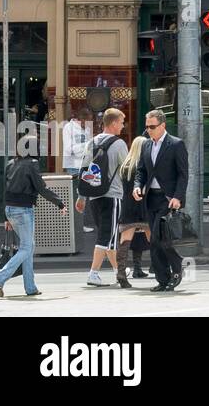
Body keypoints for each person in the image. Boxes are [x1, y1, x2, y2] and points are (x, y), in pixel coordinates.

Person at [0, 151, 64, 298]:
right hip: (23, 210)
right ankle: (0, 277)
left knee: (28, 247)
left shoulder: (11, 163)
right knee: (27, 247)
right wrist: (59, 203)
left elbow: (4, 191)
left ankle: (30, 287)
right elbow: (41, 187)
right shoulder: (32, 164)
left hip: (10, 209)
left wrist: (5, 217)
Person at [132, 110, 190, 291]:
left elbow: (183, 174)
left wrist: (177, 197)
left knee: (157, 237)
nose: (148, 130)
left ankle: (177, 264)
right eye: (147, 126)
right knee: (157, 240)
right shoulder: (146, 145)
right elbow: (141, 170)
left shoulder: (176, 144)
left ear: (163, 125)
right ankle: (163, 279)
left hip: (168, 199)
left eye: (152, 127)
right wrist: (137, 186)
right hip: (150, 198)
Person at [75, 107, 128, 288]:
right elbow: (127, 170)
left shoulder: (91, 142)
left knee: (108, 236)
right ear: (113, 123)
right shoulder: (119, 144)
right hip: (112, 196)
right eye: (121, 122)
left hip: (95, 196)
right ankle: (94, 273)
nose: (123, 126)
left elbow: (84, 170)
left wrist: (81, 196)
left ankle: (118, 271)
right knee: (106, 238)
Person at [115, 136, 151, 286]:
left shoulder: (125, 166)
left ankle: (121, 273)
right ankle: (163, 269)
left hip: (128, 206)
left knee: (124, 242)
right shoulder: (145, 166)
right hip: (145, 206)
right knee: (154, 238)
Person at [61, 107, 90, 177]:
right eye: (88, 120)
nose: (89, 123)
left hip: (86, 166)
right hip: (73, 167)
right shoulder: (68, 127)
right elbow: (68, 149)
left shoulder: (87, 129)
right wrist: (87, 145)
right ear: (82, 119)